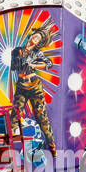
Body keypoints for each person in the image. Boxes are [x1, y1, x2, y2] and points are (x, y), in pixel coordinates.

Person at [10, 25, 58, 154]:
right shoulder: (17, 51)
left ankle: (52, 147)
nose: (35, 40)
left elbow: (49, 64)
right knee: (15, 115)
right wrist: (19, 59)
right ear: (31, 35)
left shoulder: (37, 53)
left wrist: (34, 64)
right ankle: (8, 146)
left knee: (41, 117)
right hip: (21, 86)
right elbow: (13, 67)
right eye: (35, 37)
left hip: (35, 86)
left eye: (38, 40)